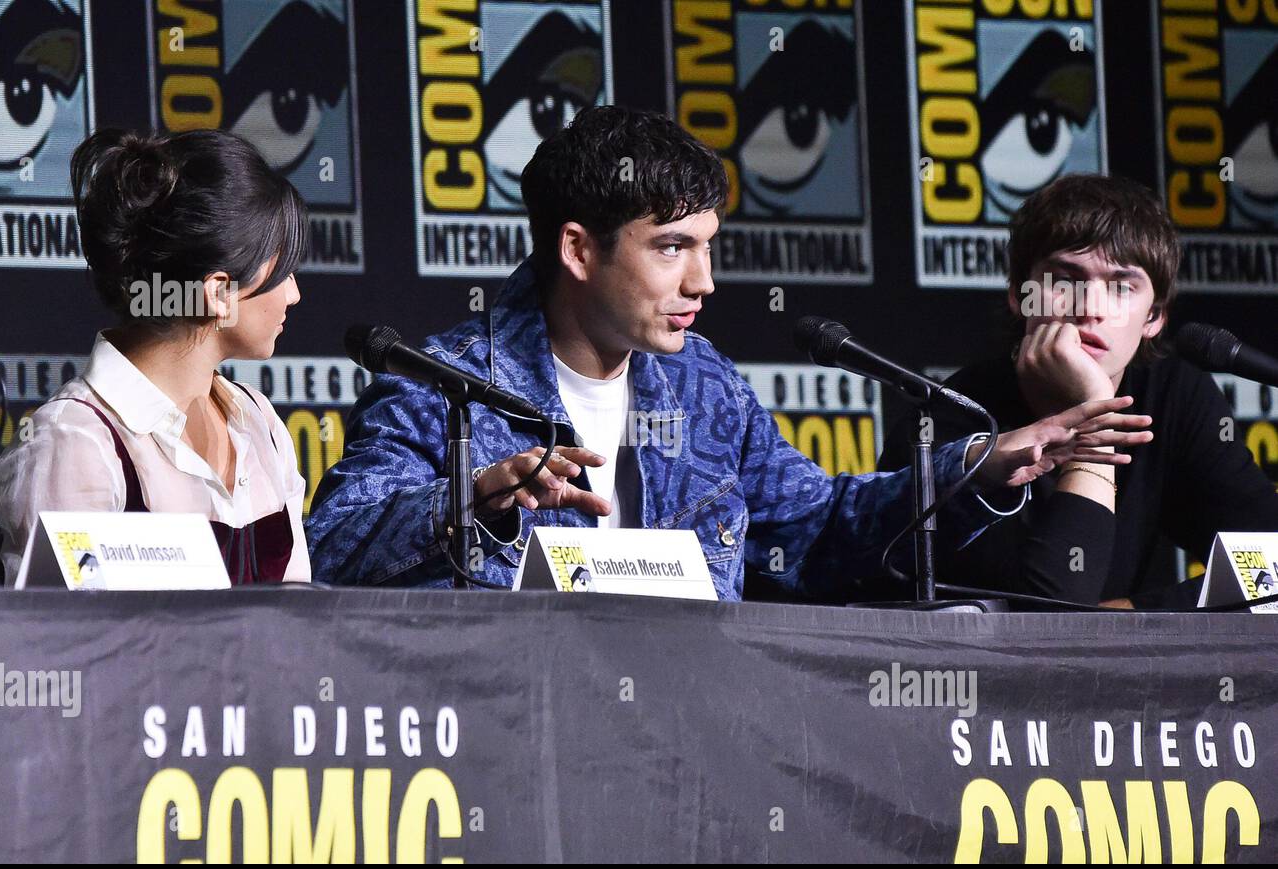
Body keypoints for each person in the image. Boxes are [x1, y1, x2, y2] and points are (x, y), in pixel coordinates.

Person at [307, 107, 1149, 599]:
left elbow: (819, 530)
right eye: (673, 247)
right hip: (521, 737)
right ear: (576, 249)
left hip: (697, 733)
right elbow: (333, 553)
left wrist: (981, 465)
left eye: (708, 246)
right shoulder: (443, 388)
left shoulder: (702, 381)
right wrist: (474, 499)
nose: (704, 281)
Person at [879, 174, 1278, 609]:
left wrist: (1137, 614)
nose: (1090, 307)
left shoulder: (1175, 396)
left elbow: (1270, 568)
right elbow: (1052, 618)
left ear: (1154, 318)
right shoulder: (950, 424)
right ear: (1020, 295)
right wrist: (1093, 409)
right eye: (1066, 279)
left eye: (1121, 286)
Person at [0, 128, 311, 585]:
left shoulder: (260, 421)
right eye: (285, 269)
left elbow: (303, 618)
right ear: (219, 293)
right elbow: (71, 642)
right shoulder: (76, 442)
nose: (294, 294)